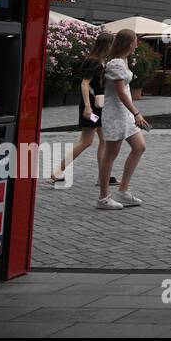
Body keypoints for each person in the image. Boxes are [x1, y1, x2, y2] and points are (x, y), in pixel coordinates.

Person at [50, 32, 117, 187]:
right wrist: (87, 107)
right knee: (86, 141)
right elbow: (84, 83)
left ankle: (103, 176)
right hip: (92, 109)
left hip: (97, 108)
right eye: (112, 44)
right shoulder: (94, 62)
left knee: (104, 141)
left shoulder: (100, 60)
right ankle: (57, 172)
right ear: (106, 45)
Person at [95, 29, 151, 210]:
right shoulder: (116, 64)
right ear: (129, 43)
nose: (137, 44)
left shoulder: (122, 61)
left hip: (124, 113)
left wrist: (133, 114)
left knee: (139, 146)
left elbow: (123, 92)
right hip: (116, 113)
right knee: (110, 155)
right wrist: (136, 113)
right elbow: (120, 93)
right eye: (135, 41)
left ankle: (123, 191)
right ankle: (103, 197)